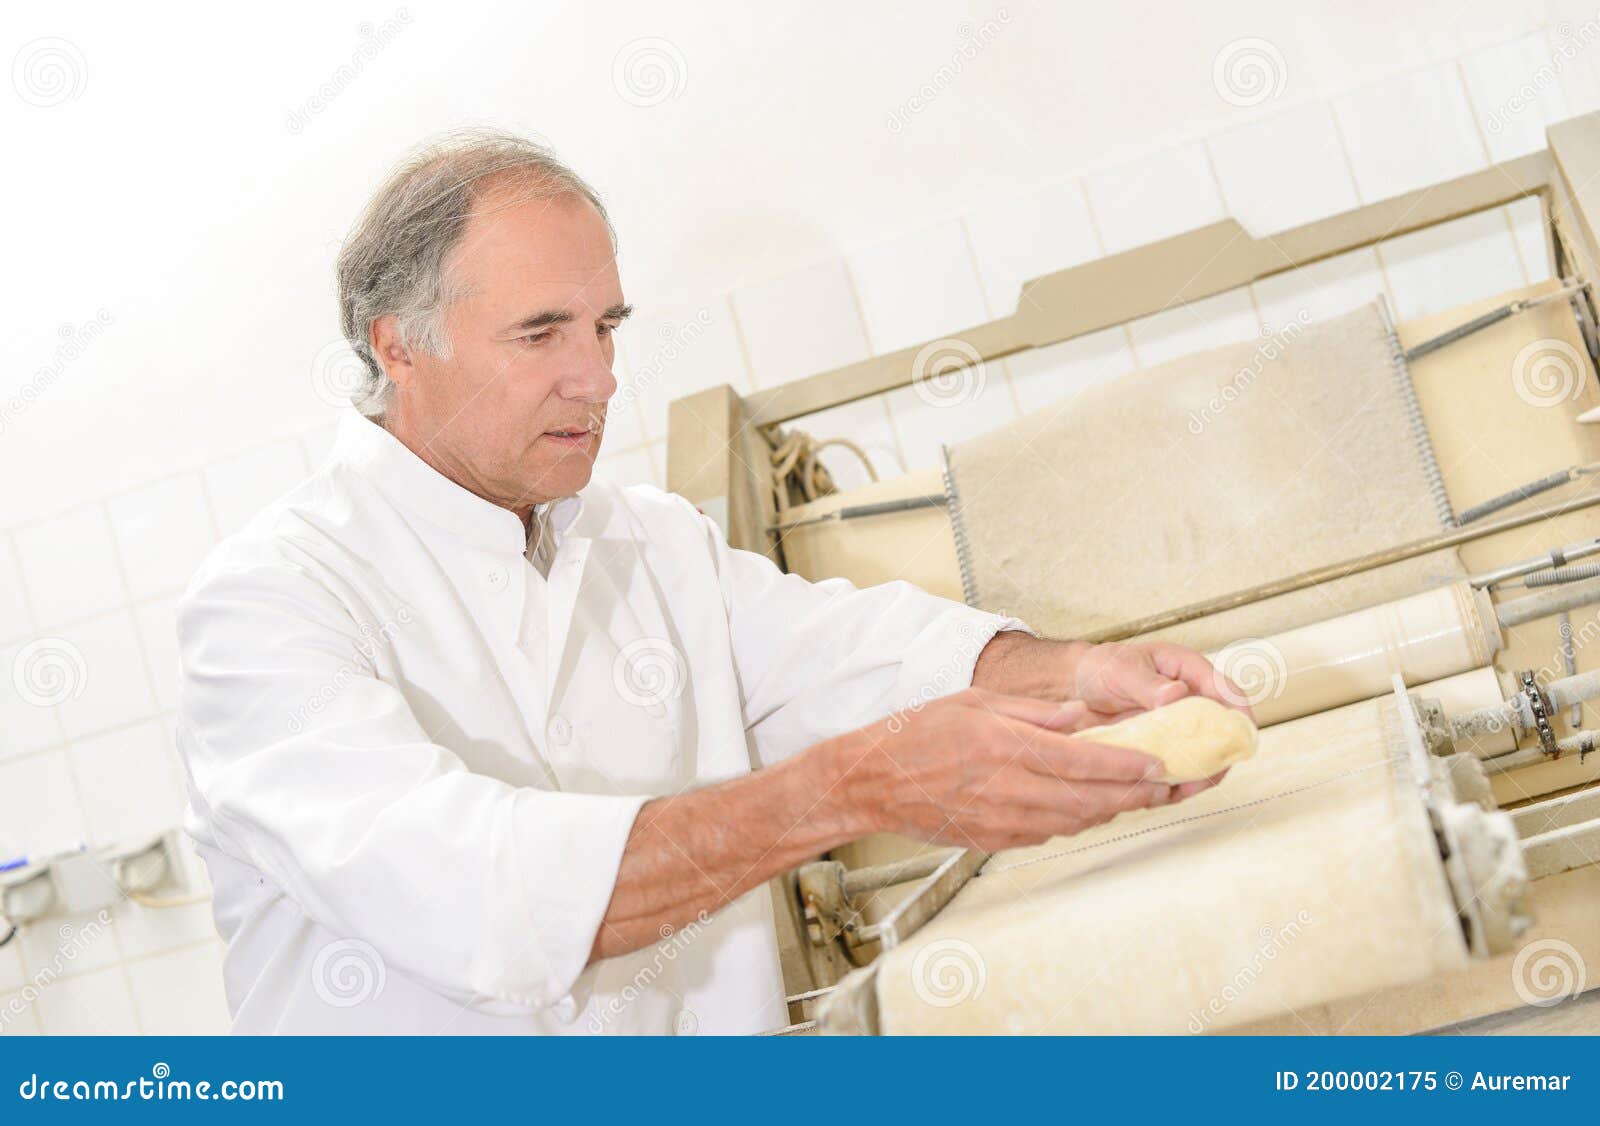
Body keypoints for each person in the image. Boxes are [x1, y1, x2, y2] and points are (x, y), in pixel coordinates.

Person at [175, 130, 1243, 1035]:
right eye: (540, 333)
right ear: (398, 345)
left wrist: (1073, 675)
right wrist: (846, 789)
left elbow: (853, 658)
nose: (596, 379)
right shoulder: (271, 604)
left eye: (605, 328)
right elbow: (471, 894)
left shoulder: (647, 543)